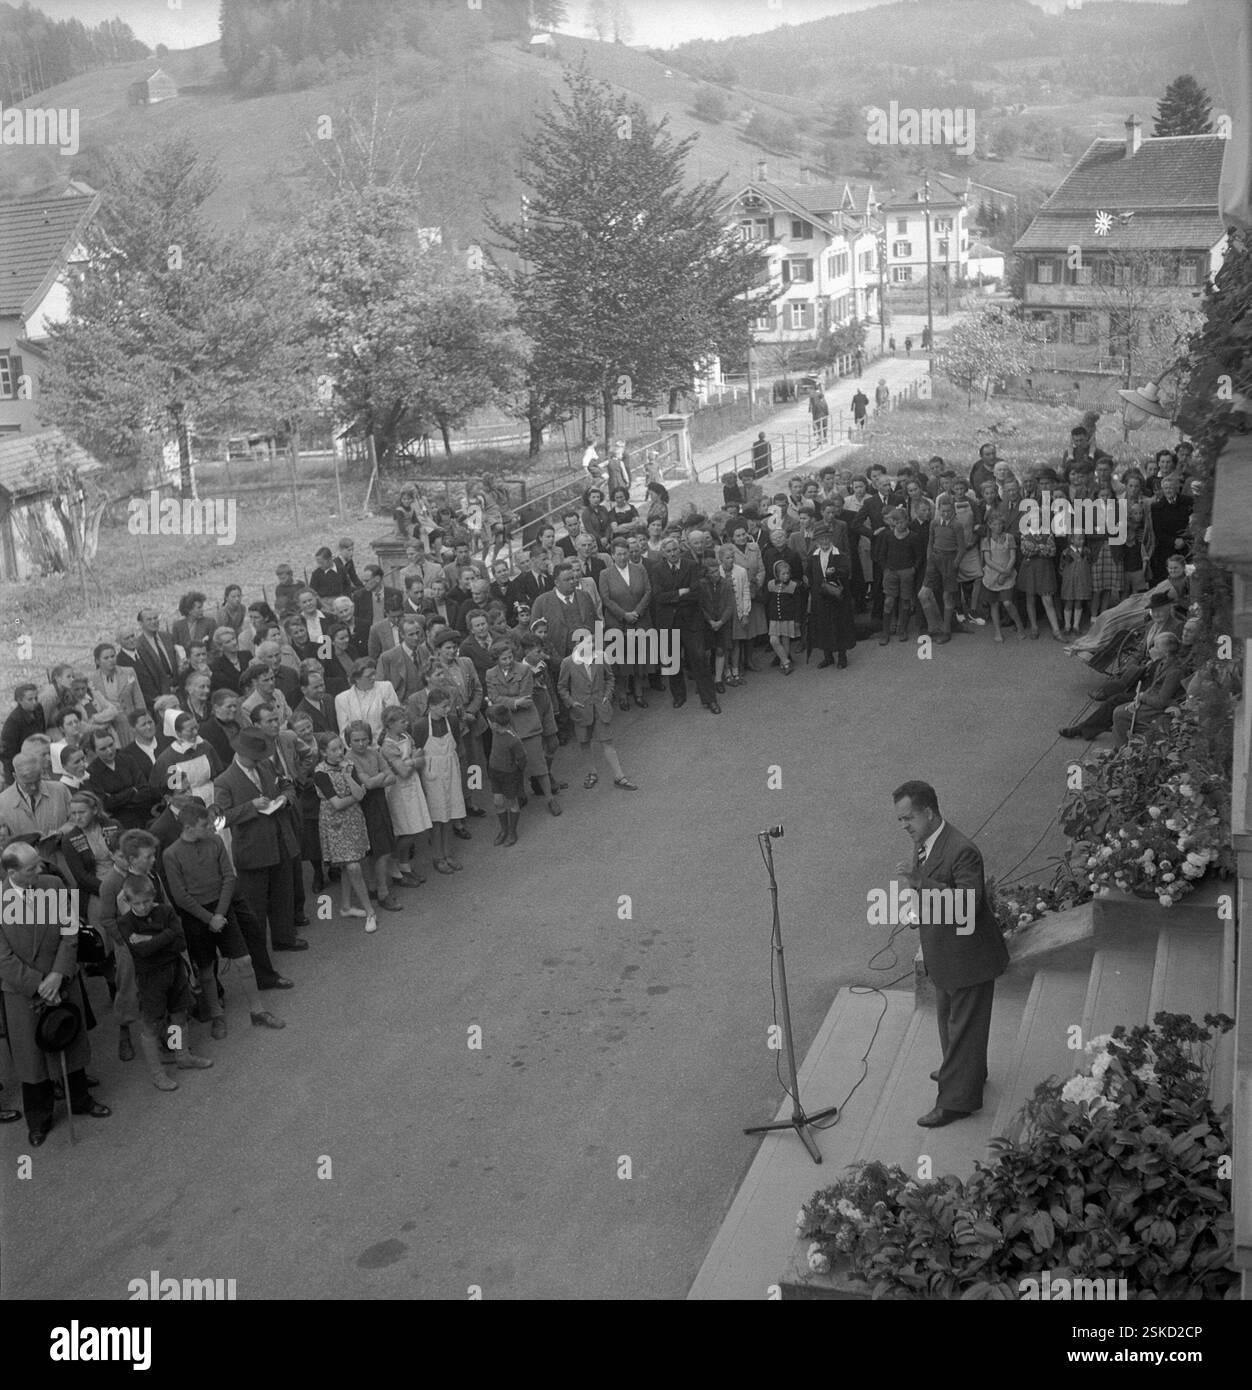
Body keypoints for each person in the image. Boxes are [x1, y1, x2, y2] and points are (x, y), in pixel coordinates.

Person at [891, 780, 1008, 1127]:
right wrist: (917, 910)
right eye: (900, 820)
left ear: (929, 812)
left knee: (962, 1025)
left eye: (908, 818)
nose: (905, 826)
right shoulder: (926, 842)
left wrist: (920, 883)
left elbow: (968, 904)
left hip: (968, 958)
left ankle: (957, 1101)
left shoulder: (962, 850)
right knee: (949, 1021)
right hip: (945, 953)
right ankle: (963, 1071)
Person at [0, 841, 112, 1145]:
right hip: (23, 990)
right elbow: (3, 957)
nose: (41, 869)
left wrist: (58, 975)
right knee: (32, 1059)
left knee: (70, 1040)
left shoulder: (53, 884)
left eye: (39, 863)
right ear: (12, 872)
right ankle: (39, 1118)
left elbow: (70, 931)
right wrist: (39, 984)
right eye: (31, 867)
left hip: (61, 977)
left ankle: (80, 1099)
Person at [163, 799, 284, 1037]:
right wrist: (209, 918)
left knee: (244, 960)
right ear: (188, 828)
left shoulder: (215, 841)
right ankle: (217, 1015)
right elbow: (180, 896)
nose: (210, 828)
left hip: (222, 908)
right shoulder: (171, 854)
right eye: (203, 825)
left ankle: (257, 1010)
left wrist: (220, 912)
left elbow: (229, 877)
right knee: (206, 969)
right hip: (196, 917)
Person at [213, 726, 307, 963]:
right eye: (255, 757)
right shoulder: (224, 781)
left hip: (280, 840)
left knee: (283, 893)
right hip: (252, 850)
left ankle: (284, 937)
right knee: (255, 903)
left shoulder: (265, 766)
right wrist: (251, 807)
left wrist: (286, 797)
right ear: (242, 754)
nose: (258, 761)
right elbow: (219, 820)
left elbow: (286, 784)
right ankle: (258, 951)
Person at [117, 873, 214, 1089]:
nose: (143, 907)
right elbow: (142, 952)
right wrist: (166, 935)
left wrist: (151, 938)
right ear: (128, 901)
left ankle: (181, 1054)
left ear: (154, 897)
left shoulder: (165, 910)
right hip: (150, 978)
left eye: (147, 902)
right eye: (138, 903)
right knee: (151, 1025)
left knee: (179, 1015)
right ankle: (157, 1073)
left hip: (175, 970)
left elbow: (181, 943)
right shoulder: (125, 922)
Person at [485, 641, 561, 816]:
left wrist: (508, 701)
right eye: (504, 659)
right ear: (496, 659)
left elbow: (526, 698)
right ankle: (520, 795)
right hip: (506, 726)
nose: (509, 661)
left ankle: (550, 798)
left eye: (510, 657)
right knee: (513, 766)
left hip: (528, 724)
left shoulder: (524, 670)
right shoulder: (490, 674)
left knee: (538, 764)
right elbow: (493, 697)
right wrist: (515, 702)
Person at [557, 629, 637, 791]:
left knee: (607, 741)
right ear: (577, 644)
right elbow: (562, 687)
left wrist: (607, 695)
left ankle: (619, 776)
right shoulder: (568, 663)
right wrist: (571, 703)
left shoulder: (600, 657)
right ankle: (592, 773)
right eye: (588, 642)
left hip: (600, 707)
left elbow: (610, 678)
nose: (592, 645)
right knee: (584, 742)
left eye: (593, 641)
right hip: (581, 710)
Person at [650, 536, 718, 713]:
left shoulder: (691, 565)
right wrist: (680, 592)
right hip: (668, 622)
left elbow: (696, 594)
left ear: (679, 549)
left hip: (691, 621)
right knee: (672, 662)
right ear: (663, 554)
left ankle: (709, 699)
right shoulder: (657, 570)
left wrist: (672, 597)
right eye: (668, 551)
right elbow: (658, 597)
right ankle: (679, 696)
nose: (673, 554)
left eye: (675, 550)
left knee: (699, 659)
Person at [344, 721, 402, 913]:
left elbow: (392, 776)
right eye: (356, 740)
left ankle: (375, 888)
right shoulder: (349, 759)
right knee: (377, 850)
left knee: (382, 847)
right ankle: (381, 892)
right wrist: (380, 777)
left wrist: (376, 779)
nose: (361, 743)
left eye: (365, 739)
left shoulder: (374, 753)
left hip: (379, 803)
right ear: (349, 741)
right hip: (362, 807)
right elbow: (367, 784)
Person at [410, 688, 466, 875]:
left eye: (449, 705)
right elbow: (417, 754)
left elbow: (457, 743)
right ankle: (437, 857)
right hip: (431, 774)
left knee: (450, 813)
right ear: (431, 706)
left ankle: (448, 853)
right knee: (437, 818)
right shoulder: (420, 726)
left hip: (451, 770)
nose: (448, 709)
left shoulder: (452, 721)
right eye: (443, 706)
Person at [378, 706, 431, 884]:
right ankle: (394, 865)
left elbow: (421, 758)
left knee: (414, 829)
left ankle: (405, 866)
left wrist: (411, 762)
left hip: (413, 787)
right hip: (399, 791)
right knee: (406, 831)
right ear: (390, 724)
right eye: (402, 722)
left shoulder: (405, 737)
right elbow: (404, 771)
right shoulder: (387, 746)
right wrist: (414, 760)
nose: (407, 724)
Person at [806, 526, 855, 669]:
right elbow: (809, 574)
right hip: (820, 598)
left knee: (839, 626)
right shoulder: (813, 557)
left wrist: (836, 572)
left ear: (831, 539)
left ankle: (842, 656)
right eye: (821, 539)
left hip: (838, 597)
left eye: (827, 538)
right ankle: (828, 656)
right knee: (823, 626)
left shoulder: (840, 555)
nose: (825, 541)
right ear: (816, 541)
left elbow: (847, 572)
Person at [875, 507, 926, 644]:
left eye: (903, 522)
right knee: (889, 601)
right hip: (891, 572)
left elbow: (919, 555)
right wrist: (885, 569)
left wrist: (913, 569)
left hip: (907, 572)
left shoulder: (913, 537)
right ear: (893, 523)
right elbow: (882, 554)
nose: (900, 525)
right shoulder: (888, 536)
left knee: (905, 601)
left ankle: (902, 629)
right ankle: (885, 632)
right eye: (897, 523)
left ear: (907, 521)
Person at [484, 705, 528, 846]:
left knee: (512, 802)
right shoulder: (496, 731)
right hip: (494, 772)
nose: (488, 723)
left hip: (509, 775)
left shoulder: (513, 739)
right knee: (498, 802)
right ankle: (504, 829)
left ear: (495, 724)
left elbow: (522, 758)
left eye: (488, 721)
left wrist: (517, 771)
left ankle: (512, 831)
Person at [979, 511, 1025, 643]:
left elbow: (1013, 556)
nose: (998, 527)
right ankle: (997, 631)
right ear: (990, 525)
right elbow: (988, 560)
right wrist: (1001, 572)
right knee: (994, 604)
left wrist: (1006, 573)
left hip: (1007, 574)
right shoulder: (986, 540)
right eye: (995, 524)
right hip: (992, 576)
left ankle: (1019, 626)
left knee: (1007, 603)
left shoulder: (1009, 537)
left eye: (1000, 524)